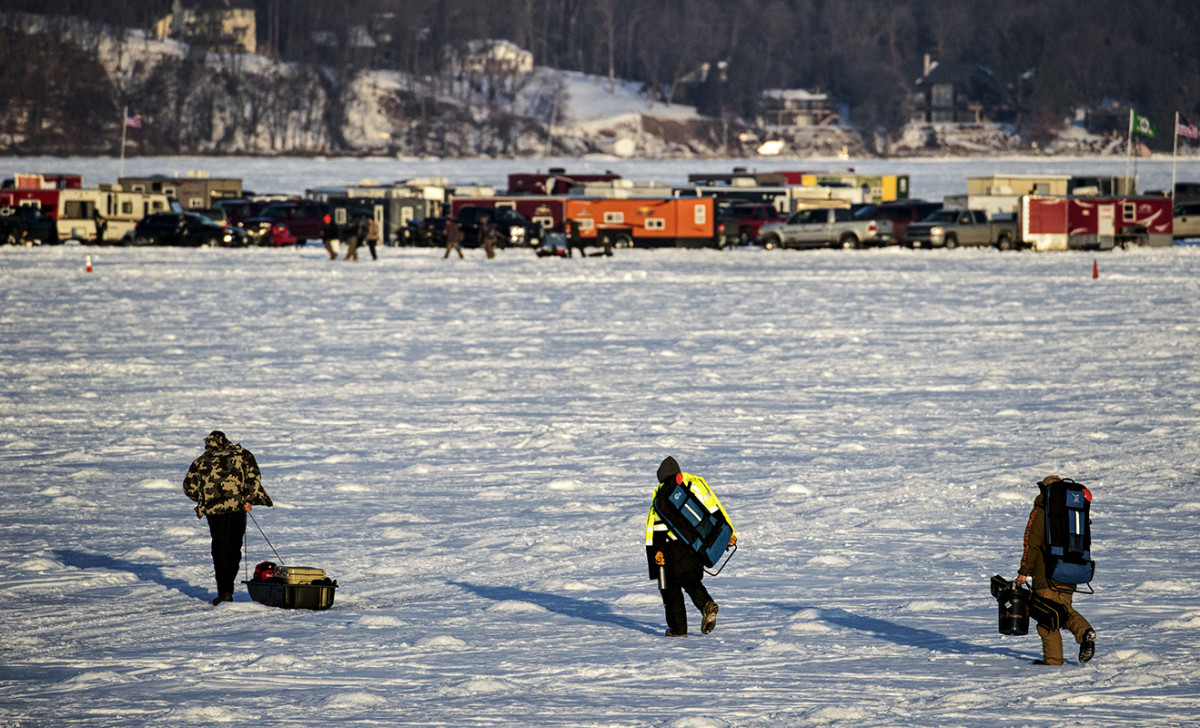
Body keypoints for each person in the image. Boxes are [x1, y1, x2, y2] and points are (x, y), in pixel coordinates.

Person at [645, 456, 736, 637]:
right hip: (694, 546)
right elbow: (715, 509)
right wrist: (729, 534)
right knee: (691, 580)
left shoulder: (661, 494)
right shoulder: (695, 484)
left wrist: (656, 552)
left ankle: (678, 630)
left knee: (669, 589)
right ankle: (706, 604)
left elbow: (656, 526)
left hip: (669, 549)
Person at [183, 431, 273, 605]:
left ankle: (224, 590)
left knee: (220, 547)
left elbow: (189, 487)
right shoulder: (242, 455)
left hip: (214, 511)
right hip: (237, 507)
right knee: (233, 546)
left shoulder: (201, 461)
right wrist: (248, 499)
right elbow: (253, 479)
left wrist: (205, 499)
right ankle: (227, 587)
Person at [1017, 475, 1096, 665]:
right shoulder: (1072, 513)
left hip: (1046, 575)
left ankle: (1053, 662)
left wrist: (1023, 572)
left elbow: (1032, 544)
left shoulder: (1041, 510)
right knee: (1063, 610)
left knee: (1047, 618)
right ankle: (1084, 632)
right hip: (1071, 570)